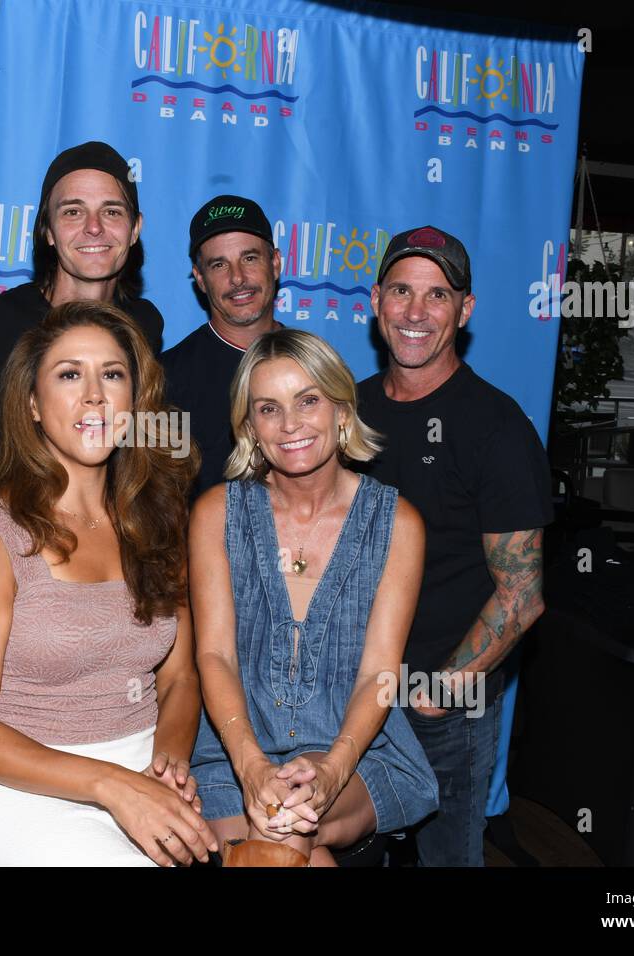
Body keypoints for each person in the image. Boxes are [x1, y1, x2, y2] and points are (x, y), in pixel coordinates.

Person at [0, 301, 211, 866]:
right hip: (14, 783)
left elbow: (179, 676)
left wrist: (169, 765)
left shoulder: (159, 520)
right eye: (68, 375)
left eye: (112, 374)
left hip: (138, 767)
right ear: (32, 405)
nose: (94, 396)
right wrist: (113, 786)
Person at [189, 327, 438, 866]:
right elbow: (215, 655)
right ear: (249, 426)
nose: (291, 424)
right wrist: (252, 765)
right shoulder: (215, 514)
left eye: (308, 400)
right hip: (233, 750)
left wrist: (332, 766)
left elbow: (380, 672)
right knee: (286, 839)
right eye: (268, 408)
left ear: (342, 411)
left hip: (357, 751)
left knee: (282, 832)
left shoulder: (397, 523)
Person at [356, 225, 553, 866]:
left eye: (437, 296)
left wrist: (439, 693)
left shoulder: (496, 427)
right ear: (376, 300)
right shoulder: (343, 412)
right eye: (401, 292)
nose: (415, 313)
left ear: (464, 311)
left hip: (441, 706)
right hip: (347, 697)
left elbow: (521, 596)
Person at [0, 142, 163, 379]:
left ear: (134, 229)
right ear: (48, 230)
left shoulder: (145, 324)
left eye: (111, 212)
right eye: (73, 212)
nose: (94, 227)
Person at [162, 195, 282, 500]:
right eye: (219, 265)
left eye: (250, 258)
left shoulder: (316, 368)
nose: (238, 278)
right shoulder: (164, 382)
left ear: (276, 263)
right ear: (200, 279)